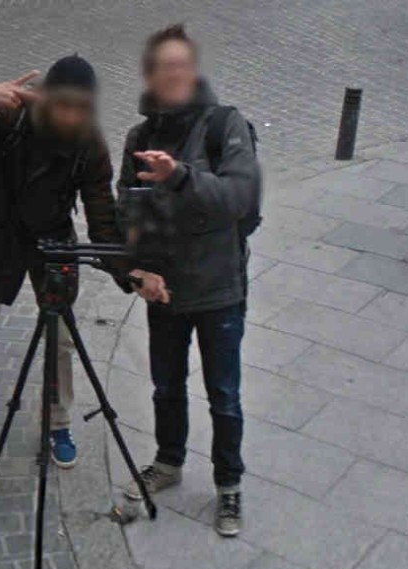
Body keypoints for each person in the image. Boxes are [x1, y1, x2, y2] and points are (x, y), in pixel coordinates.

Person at [0, 56, 168, 467]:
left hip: (54, 243)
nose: (71, 114)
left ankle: (57, 423)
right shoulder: (8, 115)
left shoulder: (89, 143)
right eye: (63, 104)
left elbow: (101, 219)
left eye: (81, 106)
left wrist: (130, 273)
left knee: (61, 342)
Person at [118, 24, 259, 536]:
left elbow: (240, 200)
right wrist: (138, 272)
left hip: (220, 289)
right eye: (163, 67)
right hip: (165, 290)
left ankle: (228, 487)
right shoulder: (139, 137)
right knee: (166, 386)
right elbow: (126, 215)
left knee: (224, 393)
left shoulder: (226, 126)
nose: (173, 74)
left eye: (181, 65)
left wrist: (180, 176)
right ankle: (170, 461)